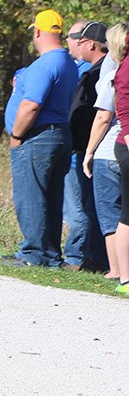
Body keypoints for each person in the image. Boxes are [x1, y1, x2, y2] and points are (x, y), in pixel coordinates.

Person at [2, 9, 77, 268]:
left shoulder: (45, 64)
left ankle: (33, 254)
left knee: (30, 196)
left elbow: (31, 105)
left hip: (38, 137)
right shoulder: (67, 62)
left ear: (37, 32)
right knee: (51, 196)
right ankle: (50, 255)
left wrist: (17, 135)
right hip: (59, 134)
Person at [64, 21, 109, 271]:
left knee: (92, 207)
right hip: (88, 147)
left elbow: (94, 115)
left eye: (79, 41)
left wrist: (84, 147)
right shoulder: (97, 71)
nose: (76, 46)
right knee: (95, 206)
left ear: (91, 44)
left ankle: (93, 258)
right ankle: (92, 256)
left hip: (90, 149)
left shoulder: (98, 74)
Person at [82, 38, 121, 280]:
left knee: (110, 215)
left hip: (108, 152)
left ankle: (116, 269)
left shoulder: (113, 78)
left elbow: (102, 118)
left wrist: (89, 152)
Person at [105, 22, 129, 294]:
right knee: (128, 215)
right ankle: (125, 279)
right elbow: (127, 120)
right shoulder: (123, 73)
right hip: (127, 146)